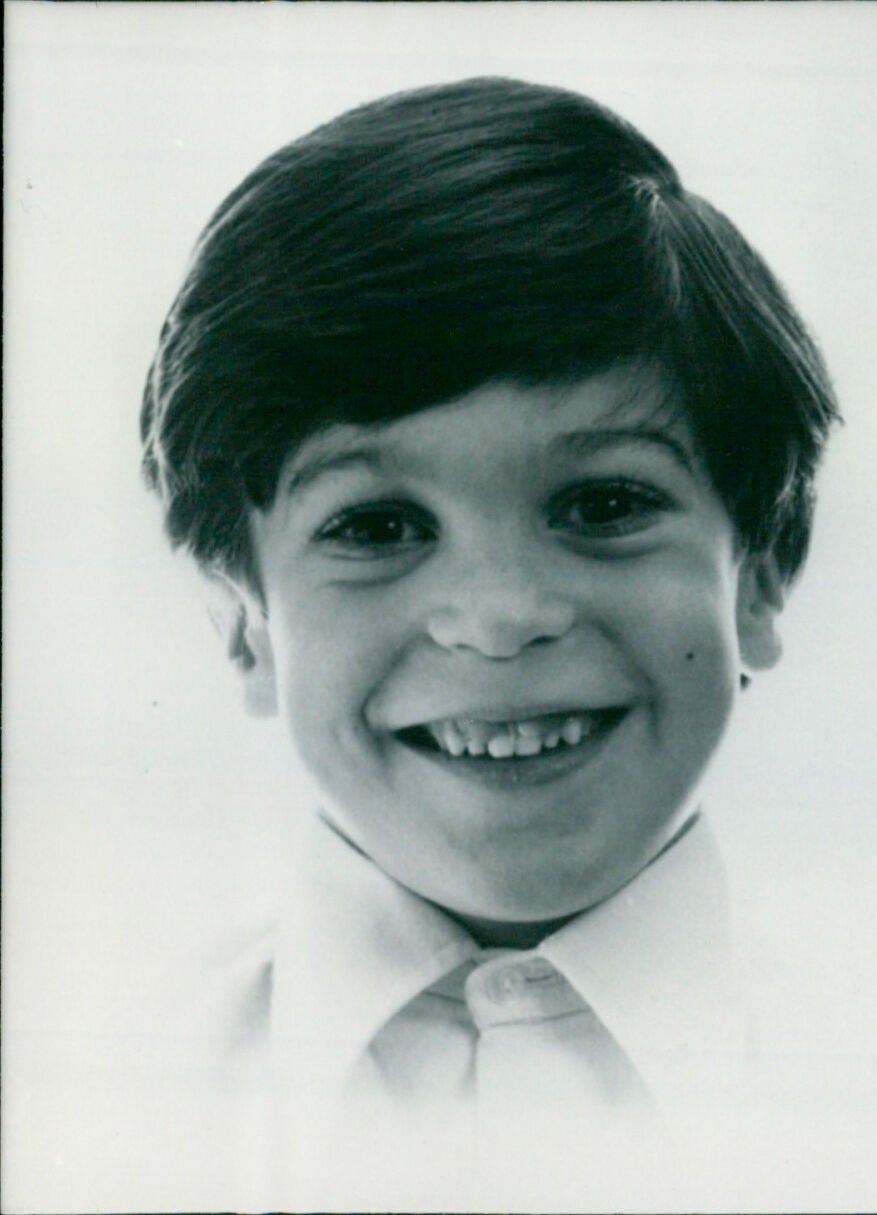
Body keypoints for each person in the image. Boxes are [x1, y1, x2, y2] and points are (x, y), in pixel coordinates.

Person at [135, 75, 836, 1201]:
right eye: (376, 526)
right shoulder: (76, 1112)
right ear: (243, 625)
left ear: (759, 570)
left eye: (604, 506)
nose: (501, 618)